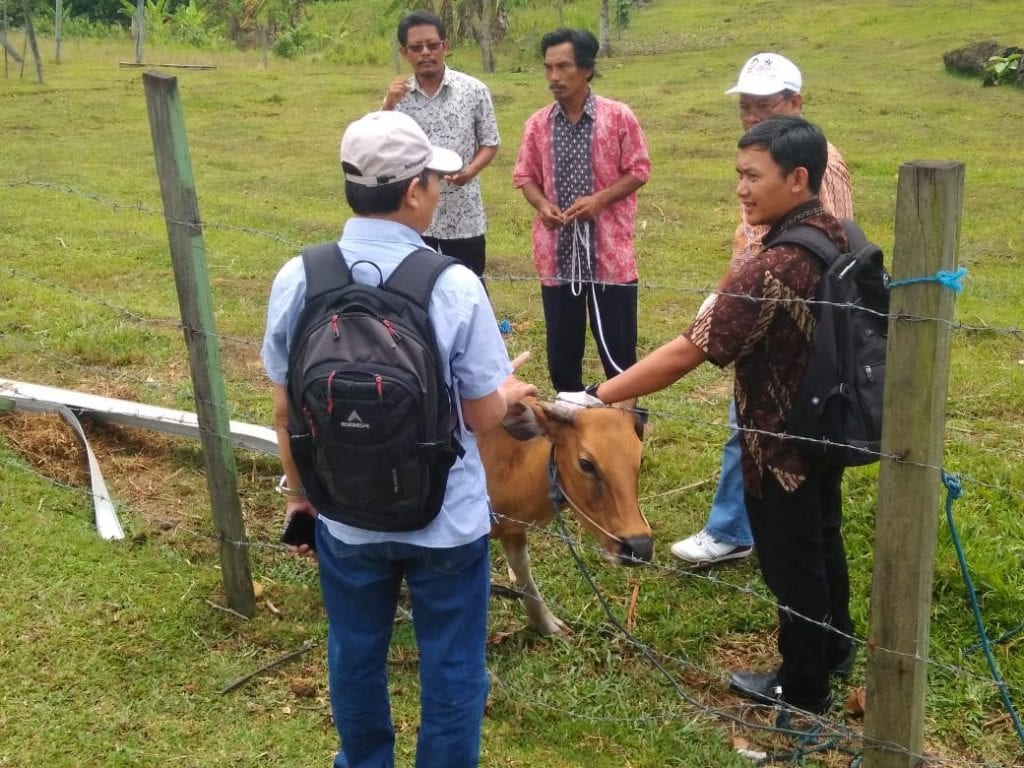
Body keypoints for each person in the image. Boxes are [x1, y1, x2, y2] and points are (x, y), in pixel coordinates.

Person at [261, 110, 536, 768]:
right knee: (452, 671)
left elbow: (284, 409)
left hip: (345, 518)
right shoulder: (454, 286)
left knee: (354, 656)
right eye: (434, 182)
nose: (438, 192)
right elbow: (479, 417)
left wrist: (303, 500)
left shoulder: (299, 278)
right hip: (445, 522)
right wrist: (510, 393)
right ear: (414, 191)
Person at [559, 115, 855, 714]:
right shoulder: (837, 234)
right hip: (828, 422)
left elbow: (685, 353)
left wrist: (599, 394)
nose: (741, 189)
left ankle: (803, 690)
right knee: (824, 540)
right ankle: (835, 649)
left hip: (779, 442)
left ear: (798, 178)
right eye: (737, 176)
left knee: (791, 565)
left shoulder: (770, 265)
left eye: (752, 176)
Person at [671, 52, 854, 567]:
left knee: (761, 424)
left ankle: (735, 527)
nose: (754, 116)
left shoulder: (816, 166)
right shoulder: (764, 159)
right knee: (749, 420)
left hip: (786, 318)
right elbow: (758, 238)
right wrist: (728, 287)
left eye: (766, 105)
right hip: (755, 296)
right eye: (746, 107)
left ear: (795, 103)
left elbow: (818, 250)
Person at [513, 27, 651, 393]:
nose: (554, 77)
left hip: (609, 254)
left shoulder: (618, 117)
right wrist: (543, 205)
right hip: (556, 256)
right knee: (562, 350)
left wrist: (600, 200)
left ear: (587, 69)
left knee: (619, 351)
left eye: (564, 67)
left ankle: (625, 426)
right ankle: (569, 424)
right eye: (548, 68)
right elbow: (525, 174)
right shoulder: (537, 124)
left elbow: (639, 169)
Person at [381, 10, 500, 279]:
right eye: (416, 47)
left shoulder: (473, 90)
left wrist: (470, 171)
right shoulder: (399, 96)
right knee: (412, 287)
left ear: (445, 46)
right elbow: (382, 142)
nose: (425, 53)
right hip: (412, 212)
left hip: (462, 213)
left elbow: (490, 142)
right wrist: (388, 104)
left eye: (432, 45)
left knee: (468, 285)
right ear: (404, 52)